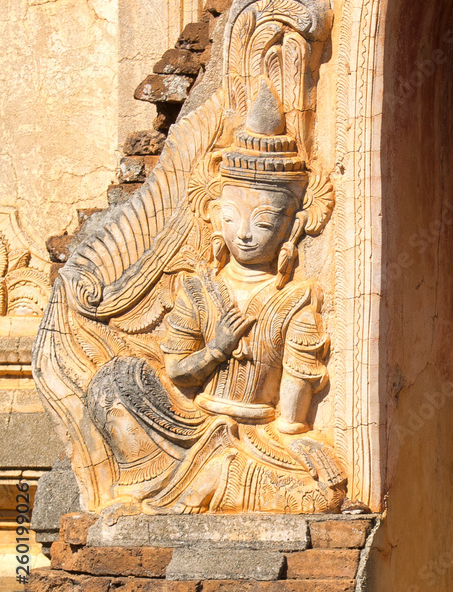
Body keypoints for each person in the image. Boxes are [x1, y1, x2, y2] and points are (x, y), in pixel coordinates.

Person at [84, 81, 346, 517]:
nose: (243, 232)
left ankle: (205, 482)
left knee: (321, 494)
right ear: (215, 217)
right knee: (113, 382)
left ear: (292, 227)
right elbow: (177, 372)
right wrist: (216, 349)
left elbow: (293, 420)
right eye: (232, 217)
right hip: (192, 424)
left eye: (262, 221)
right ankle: (161, 479)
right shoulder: (198, 288)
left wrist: (297, 443)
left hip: (256, 438)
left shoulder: (296, 302)